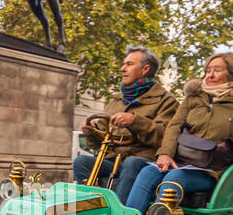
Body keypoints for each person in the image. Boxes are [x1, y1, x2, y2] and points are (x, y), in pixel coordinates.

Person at [125, 51, 233, 215]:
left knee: (174, 178)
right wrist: (165, 154)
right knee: (147, 172)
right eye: (207, 70)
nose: (209, 75)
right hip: (181, 160)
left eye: (217, 70)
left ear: (232, 74)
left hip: (211, 170)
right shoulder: (193, 98)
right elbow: (174, 127)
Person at [73, 46, 178, 204]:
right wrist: (91, 132)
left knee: (132, 163)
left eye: (129, 64)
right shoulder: (116, 100)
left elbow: (165, 136)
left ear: (145, 69)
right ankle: (89, 207)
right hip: (113, 161)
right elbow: (101, 140)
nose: (122, 69)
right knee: (81, 162)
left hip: (144, 162)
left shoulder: (166, 100)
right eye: (124, 64)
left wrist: (135, 121)